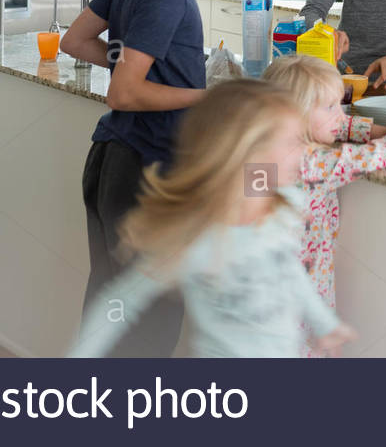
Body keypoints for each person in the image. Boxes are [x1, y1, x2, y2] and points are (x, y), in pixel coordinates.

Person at [61, 0, 233, 354]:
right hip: (146, 173)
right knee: (150, 328)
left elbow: (75, 40)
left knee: (113, 315)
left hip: (112, 163)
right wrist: (208, 97)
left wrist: (132, 68)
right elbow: (124, 92)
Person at [68, 80, 356, 358]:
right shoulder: (199, 240)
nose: (304, 152)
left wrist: (323, 324)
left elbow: (288, 272)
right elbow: (121, 301)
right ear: (247, 152)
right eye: (292, 142)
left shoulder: (285, 209)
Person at [262, 55, 386, 353]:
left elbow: (338, 126)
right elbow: (377, 156)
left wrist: (379, 130)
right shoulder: (309, 164)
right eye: (330, 106)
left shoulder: (268, 148)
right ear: (293, 114)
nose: (340, 115)